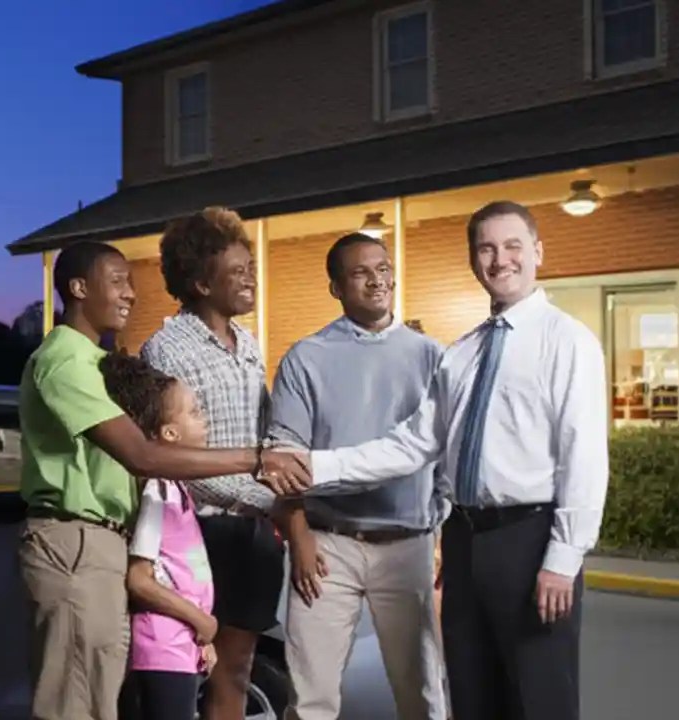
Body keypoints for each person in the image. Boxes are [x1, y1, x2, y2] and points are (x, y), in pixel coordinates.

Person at [297, 201, 609, 720]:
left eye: (512, 246)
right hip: (464, 542)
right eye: (486, 248)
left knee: (539, 699)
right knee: (471, 692)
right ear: (473, 260)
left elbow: (584, 455)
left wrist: (563, 557)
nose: (500, 258)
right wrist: (314, 466)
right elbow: (413, 443)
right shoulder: (461, 354)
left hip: (529, 539)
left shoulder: (567, 341)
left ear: (537, 251)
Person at [17, 239, 311, 720]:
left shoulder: (95, 362)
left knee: (96, 696)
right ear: (77, 288)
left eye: (130, 281)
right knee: (76, 701)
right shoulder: (66, 360)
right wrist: (256, 460)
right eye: (117, 281)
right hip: (75, 544)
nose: (130, 293)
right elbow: (144, 455)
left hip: (101, 544)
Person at [269, 233, 447, 720]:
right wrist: (299, 536)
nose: (378, 280)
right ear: (335, 287)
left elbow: (446, 460)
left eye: (384, 269)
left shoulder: (432, 356)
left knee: (424, 694)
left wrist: (441, 538)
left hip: (407, 543)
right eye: (361, 272)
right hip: (328, 547)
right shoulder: (306, 358)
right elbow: (283, 459)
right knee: (310, 698)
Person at [139, 207, 282, 720]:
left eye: (251, 270)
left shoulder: (248, 346)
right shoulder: (166, 349)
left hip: (254, 532)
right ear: (201, 281)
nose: (250, 280)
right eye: (237, 272)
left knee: (237, 671)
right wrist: (277, 502)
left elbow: (265, 439)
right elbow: (174, 455)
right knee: (186, 669)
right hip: (195, 535)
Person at [99, 352, 217, 720]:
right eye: (195, 413)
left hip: (183, 649)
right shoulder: (156, 492)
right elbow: (140, 579)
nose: (205, 421)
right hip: (162, 648)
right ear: (169, 434)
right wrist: (201, 621)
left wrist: (203, 639)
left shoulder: (177, 490)